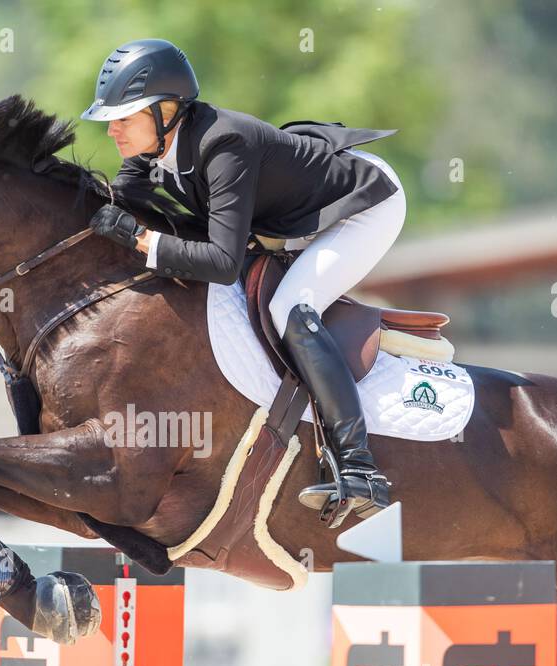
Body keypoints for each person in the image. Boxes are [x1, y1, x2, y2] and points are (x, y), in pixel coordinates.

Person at [82, 38, 407, 526]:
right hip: (295, 216)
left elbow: (220, 262)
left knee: (291, 307)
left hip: (362, 206)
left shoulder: (222, 144)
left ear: (165, 111)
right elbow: (115, 201)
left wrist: (143, 241)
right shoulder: (153, 150)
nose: (112, 130)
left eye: (123, 118)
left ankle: (358, 466)